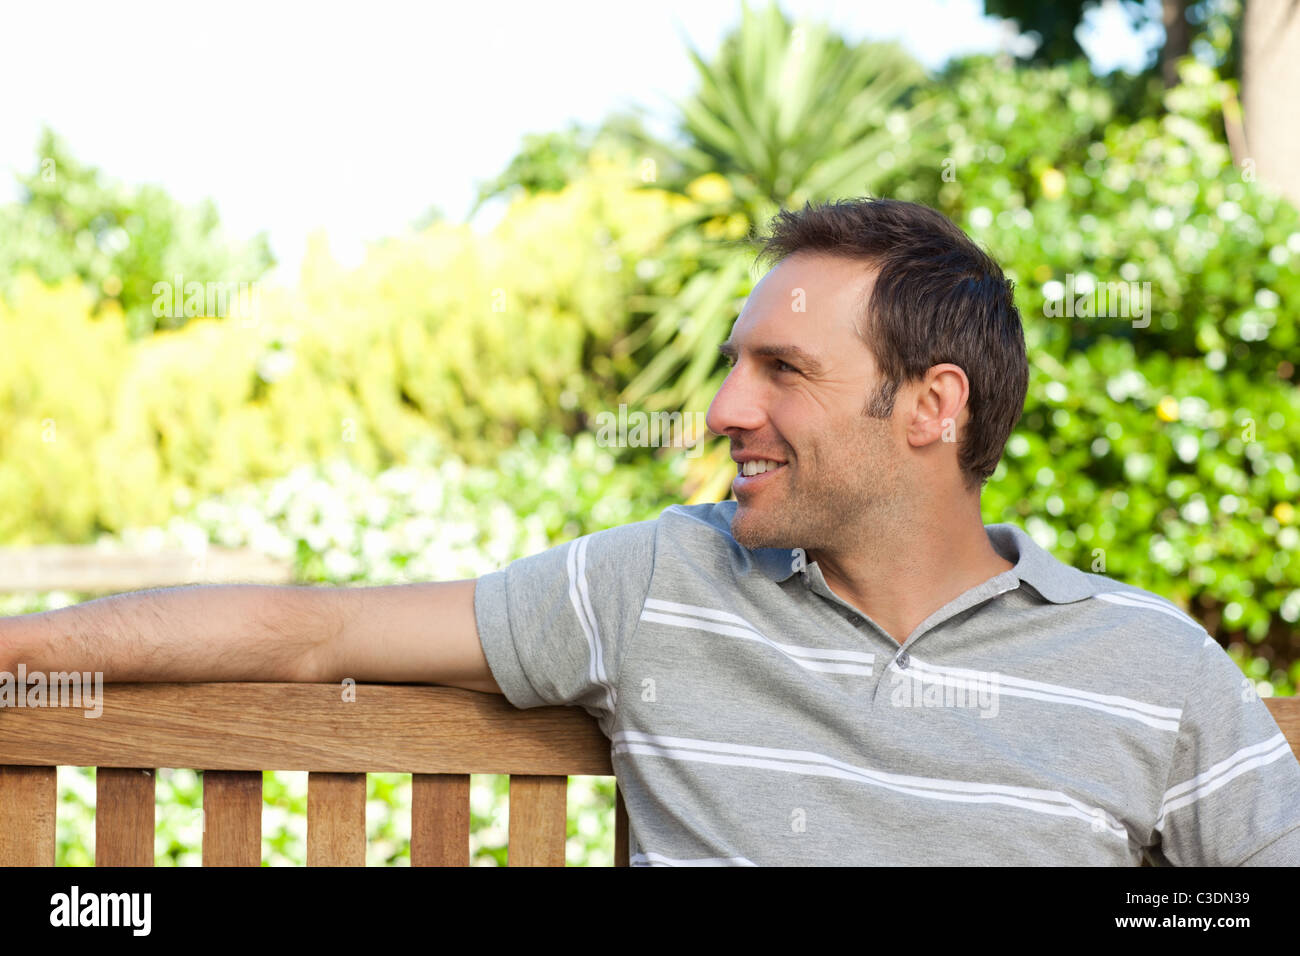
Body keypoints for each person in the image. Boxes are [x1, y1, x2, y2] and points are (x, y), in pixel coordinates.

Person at [3, 198, 1296, 866]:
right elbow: (314, 630)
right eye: (736, 365)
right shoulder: (665, 581)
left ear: (930, 406)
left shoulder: (1148, 663)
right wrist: (18, 650)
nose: (728, 409)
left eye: (783, 371)